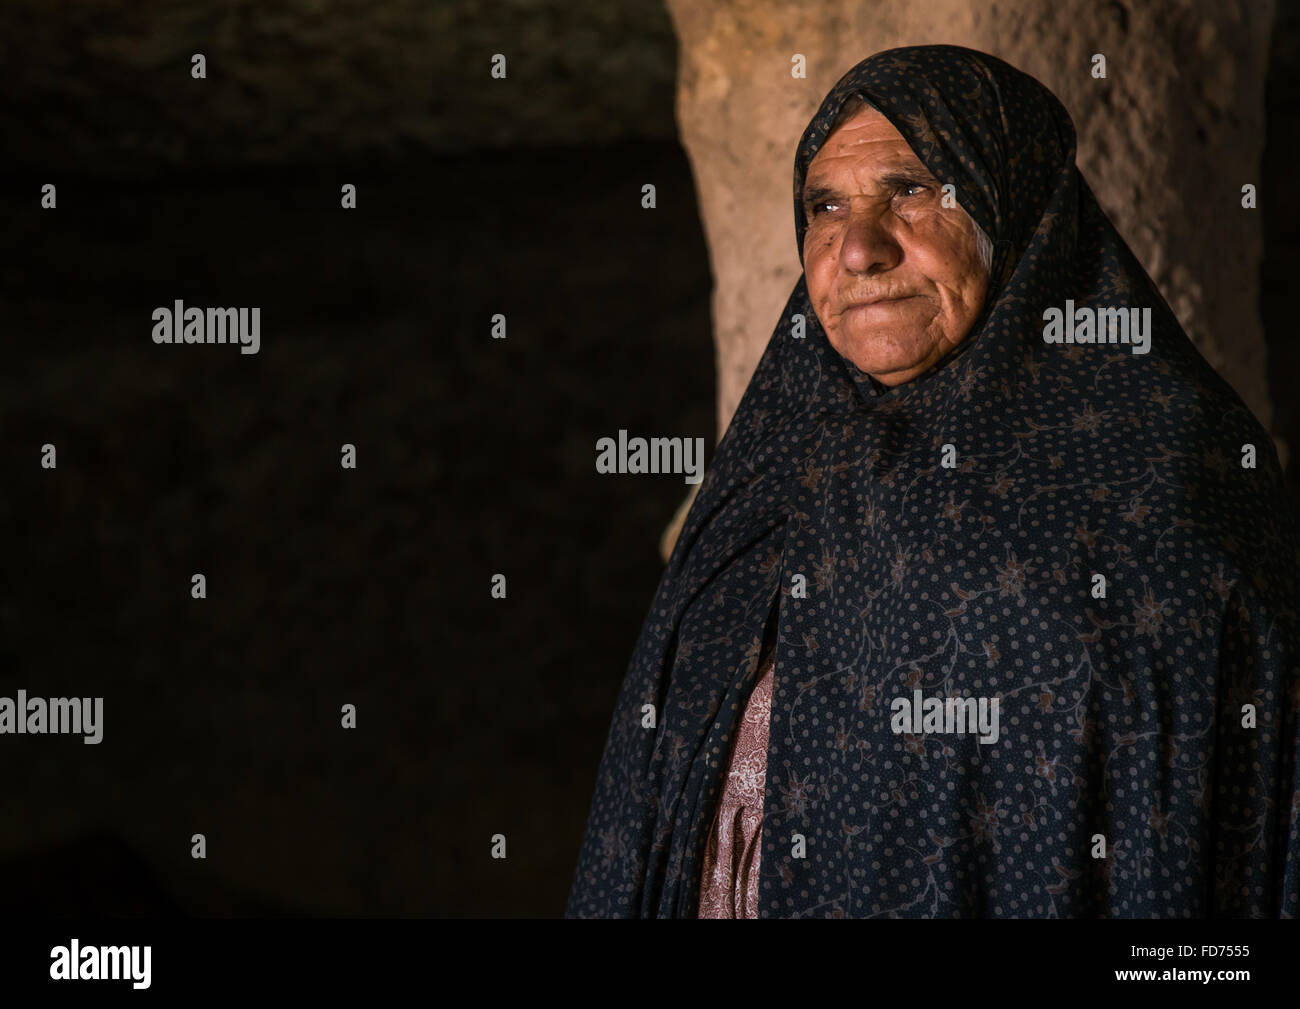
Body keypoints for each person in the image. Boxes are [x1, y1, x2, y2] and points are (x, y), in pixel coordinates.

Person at [567, 44, 1300, 918]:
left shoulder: (1164, 486)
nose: (859, 248)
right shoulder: (765, 479)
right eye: (825, 206)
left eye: (912, 191)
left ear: (1016, 208)